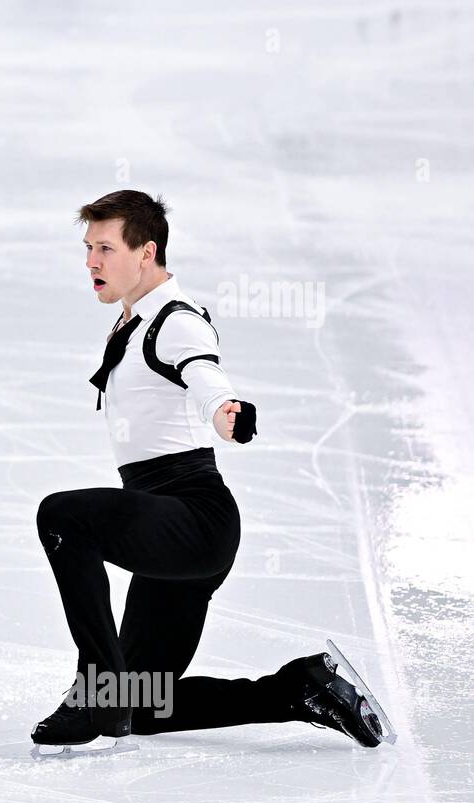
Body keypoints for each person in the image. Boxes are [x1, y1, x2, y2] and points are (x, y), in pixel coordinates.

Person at [30, 190, 393, 755]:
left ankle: (92, 691)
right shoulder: (130, 322)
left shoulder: (175, 323)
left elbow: (205, 378)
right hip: (167, 531)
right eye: (87, 248)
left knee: (63, 516)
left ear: (146, 252)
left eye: (104, 248)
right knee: (143, 704)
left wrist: (228, 415)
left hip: (192, 518)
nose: (91, 263)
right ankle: (299, 690)